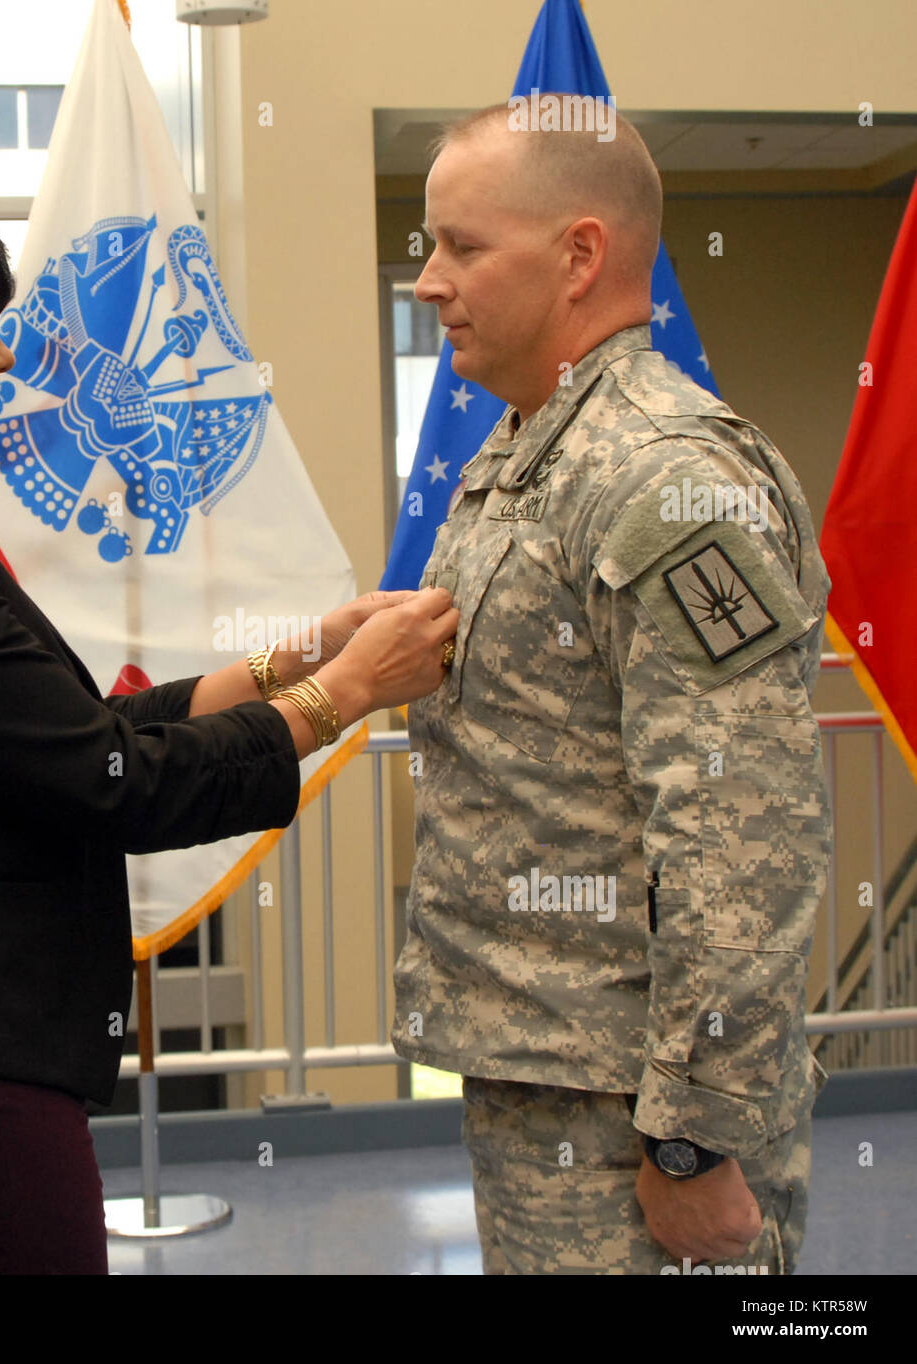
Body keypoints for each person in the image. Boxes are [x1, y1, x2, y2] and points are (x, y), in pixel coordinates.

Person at [0, 109, 458, 1275]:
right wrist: (345, 696)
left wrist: (293, 659)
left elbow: (78, 733)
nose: (4, 358)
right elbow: (111, 785)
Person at [391, 103, 832, 1275]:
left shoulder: (659, 476)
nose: (428, 282)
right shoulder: (524, 450)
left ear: (580, 254)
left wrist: (690, 1137)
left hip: (633, 1118)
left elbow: (744, 829)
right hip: (546, 1082)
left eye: (462, 246)